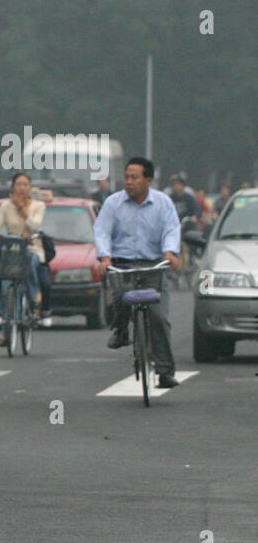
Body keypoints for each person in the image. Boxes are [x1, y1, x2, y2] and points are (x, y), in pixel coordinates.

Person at [94, 156, 181, 388]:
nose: (129, 182)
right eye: (126, 177)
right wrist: (104, 257)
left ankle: (164, 371)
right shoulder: (113, 203)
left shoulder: (163, 203)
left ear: (148, 180)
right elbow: (102, 230)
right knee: (120, 302)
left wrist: (170, 252)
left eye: (135, 177)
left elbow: (171, 229)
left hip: (153, 266)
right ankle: (121, 330)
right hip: (122, 266)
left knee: (159, 318)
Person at [0, 171, 48, 345]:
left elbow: (34, 225)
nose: (21, 188)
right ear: (13, 187)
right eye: (18, 185)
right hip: (12, 250)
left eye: (25, 185)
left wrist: (21, 208)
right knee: (6, 285)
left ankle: (34, 299)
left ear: (30, 187)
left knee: (30, 262)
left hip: (32, 248)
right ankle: (5, 330)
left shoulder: (38, 205)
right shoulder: (6, 206)